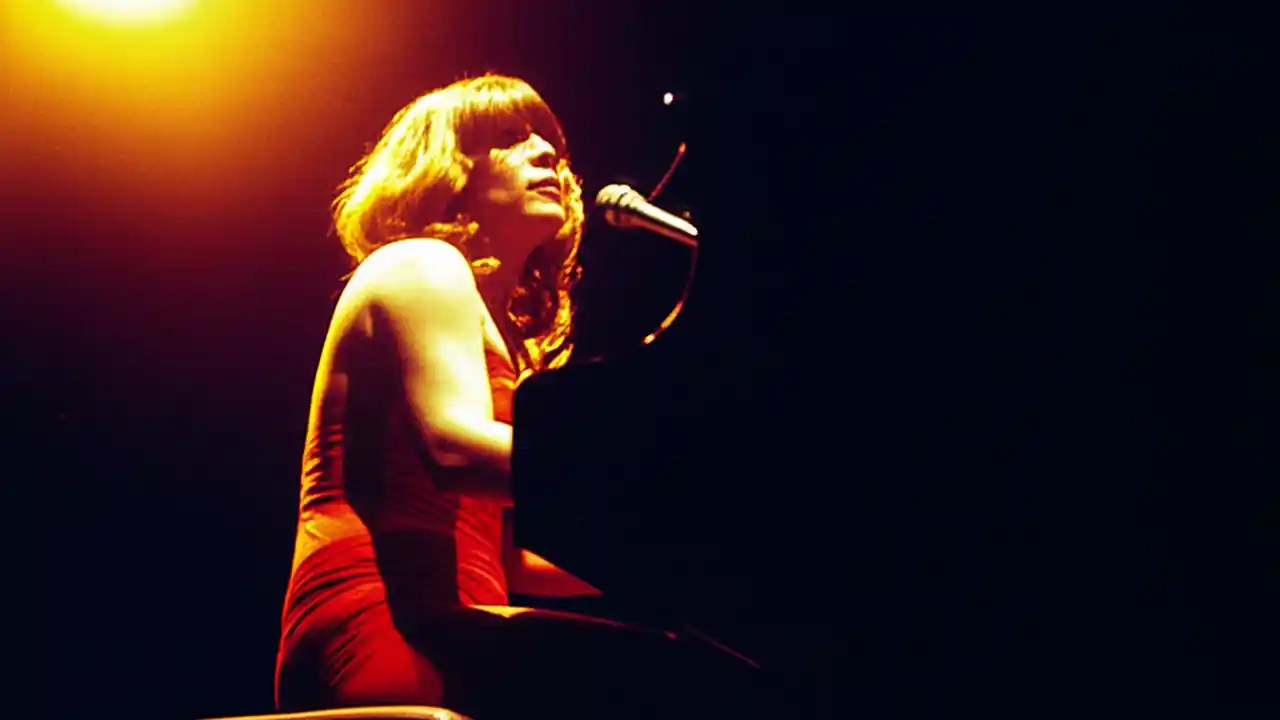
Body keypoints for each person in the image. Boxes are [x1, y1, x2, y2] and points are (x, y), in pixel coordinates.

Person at [273, 73, 761, 720]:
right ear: (445, 168)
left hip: (452, 620)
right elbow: (453, 450)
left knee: (713, 670)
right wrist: (648, 492)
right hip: (387, 621)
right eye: (509, 138)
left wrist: (688, 561)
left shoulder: (497, 331)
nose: (546, 156)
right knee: (708, 690)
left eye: (554, 147)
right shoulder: (420, 263)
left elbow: (514, 561)